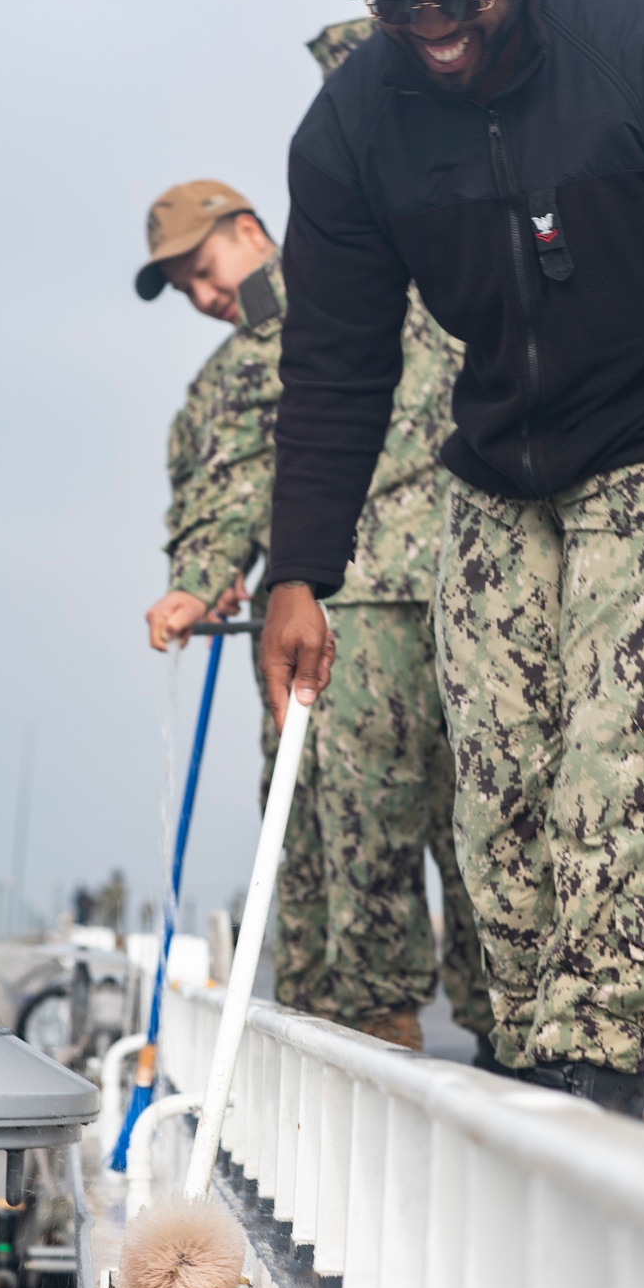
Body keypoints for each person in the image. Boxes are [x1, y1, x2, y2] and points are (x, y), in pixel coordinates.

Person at [260, 0, 644, 1117]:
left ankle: (594, 1066)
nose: (431, 26)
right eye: (400, 2)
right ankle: (526, 1058)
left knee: (625, 750)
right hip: (504, 463)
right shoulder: (354, 127)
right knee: (503, 778)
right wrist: (298, 570)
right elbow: (334, 364)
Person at [138, 160, 496, 1057]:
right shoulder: (238, 371)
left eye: (207, 269)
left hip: (456, 601)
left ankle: (502, 1041)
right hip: (350, 614)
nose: (207, 295)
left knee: (471, 824)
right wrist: (202, 573)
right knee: (349, 840)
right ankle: (383, 1044)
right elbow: (225, 488)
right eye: (186, 290)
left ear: (251, 231)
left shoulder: (377, 278)